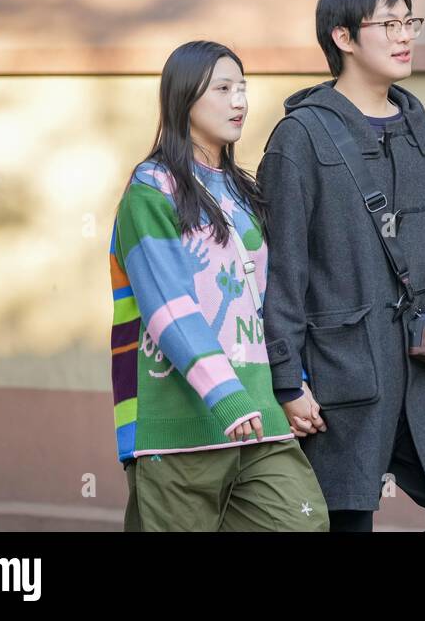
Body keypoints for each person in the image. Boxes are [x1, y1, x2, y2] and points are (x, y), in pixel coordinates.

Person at [259, 0, 425, 532]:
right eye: (388, 24)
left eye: (409, 21)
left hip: (424, 368)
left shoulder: (416, 127)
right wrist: (287, 381)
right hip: (343, 374)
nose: (405, 35)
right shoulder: (300, 138)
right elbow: (284, 272)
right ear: (343, 37)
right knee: (344, 527)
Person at [109, 40, 329, 531]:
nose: (239, 102)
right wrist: (225, 395)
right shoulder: (151, 191)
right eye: (223, 89)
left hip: (262, 418)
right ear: (183, 98)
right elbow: (168, 307)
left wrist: (293, 385)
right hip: (174, 428)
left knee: (304, 525)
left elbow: (269, 300)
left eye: (243, 88)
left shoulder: (244, 191)